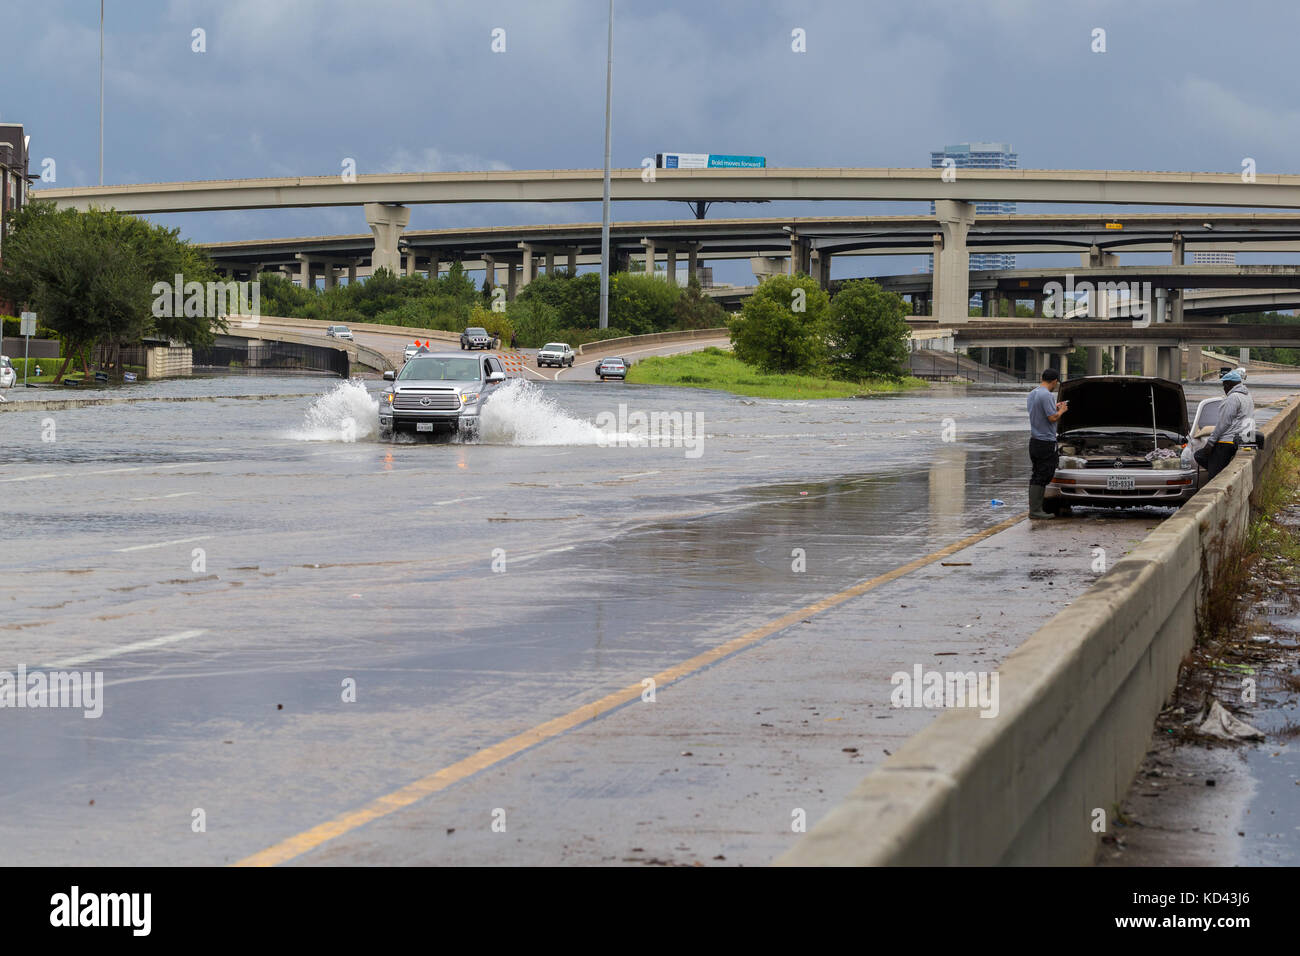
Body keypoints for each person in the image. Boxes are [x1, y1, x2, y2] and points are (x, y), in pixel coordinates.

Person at [1026, 368, 1069, 519]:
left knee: (1037, 474)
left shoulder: (1033, 393)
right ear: (1055, 381)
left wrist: (1054, 407)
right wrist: (1062, 410)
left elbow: (1040, 413)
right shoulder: (1047, 395)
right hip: (1045, 442)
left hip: (1035, 441)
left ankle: (1035, 509)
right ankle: (1036, 511)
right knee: (1044, 475)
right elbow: (1052, 418)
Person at [1197, 369, 1254, 480]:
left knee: (1211, 472)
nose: (1224, 388)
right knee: (1203, 457)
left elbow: (1224, 422)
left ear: (1228, 384)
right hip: (1241, 439)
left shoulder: (1233, 398)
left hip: (1226, 442)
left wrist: (1211, 442)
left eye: (1224, 385)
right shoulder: (1247, 396)